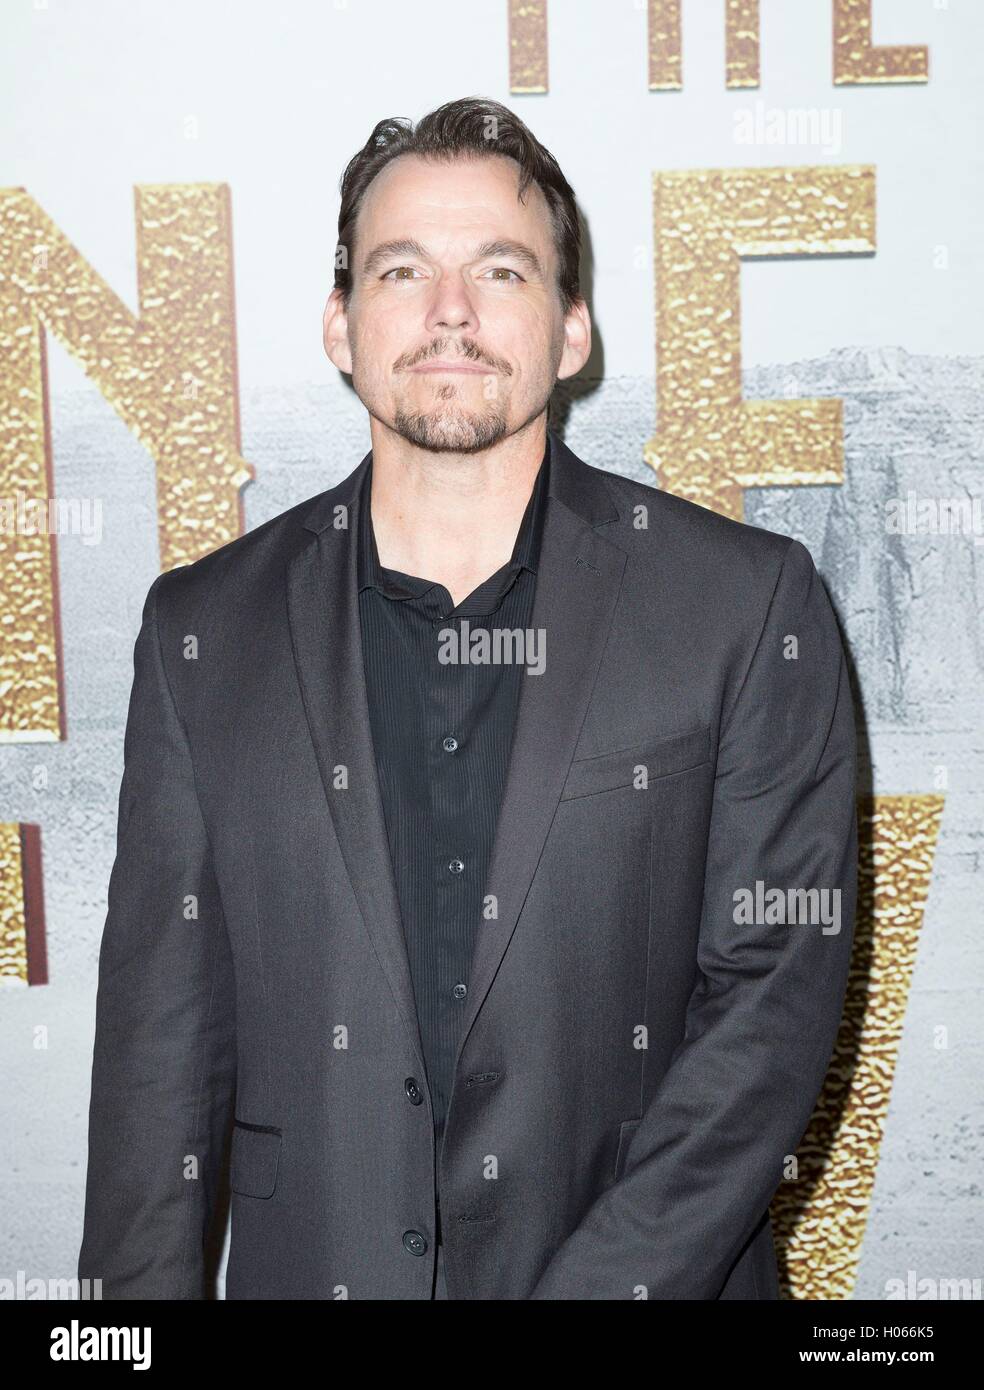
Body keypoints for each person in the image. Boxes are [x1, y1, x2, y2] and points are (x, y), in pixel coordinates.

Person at [78, 96, 857, 1300]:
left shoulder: (744, 607)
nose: (450, 310)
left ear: (573, 328)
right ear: (341, 326)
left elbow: (770, 1009)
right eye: (402, 270)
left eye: (500, 269)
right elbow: (156, 1068)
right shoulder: (200, 632)